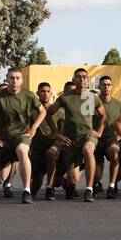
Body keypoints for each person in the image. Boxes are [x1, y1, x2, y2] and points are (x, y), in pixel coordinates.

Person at [0, 67, 44, 204]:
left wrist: (34, 128)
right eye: (12, 78)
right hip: (3, 140)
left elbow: (43, 112)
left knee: (22, 150)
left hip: (22, 136)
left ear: (22, 80)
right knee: (0, 177)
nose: (14, 81)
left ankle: (26, 191)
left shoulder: (29, 95)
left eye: (17, 78)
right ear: (7, 79)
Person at [47, 67, 103, 200]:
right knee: (73, 180)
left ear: (87, 79)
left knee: (88, 149)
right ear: (74, 79)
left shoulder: (92, 97)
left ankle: (88, 189)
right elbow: (48, 114)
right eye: (78, 76)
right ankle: (69, 183)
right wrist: (57, 134)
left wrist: (99, 132)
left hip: (87, 136)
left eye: (84, 76)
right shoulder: (66, 97)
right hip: (71, 141)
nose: (81, 79)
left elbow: (103, 116)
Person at [95, 76, 121, 197]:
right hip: (96, 140)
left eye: (109, 85)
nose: (106, 87)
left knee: (115, 154)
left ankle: (111, 186)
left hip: (111, 140)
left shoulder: (119, 105)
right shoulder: (92, 102)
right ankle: (95, 183)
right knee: (97, 175)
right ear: (99, 87)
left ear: (112, 87)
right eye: (104, 85)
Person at [29, 81, 63, 200]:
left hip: (53, 145)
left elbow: (63, 131)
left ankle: (50, 187)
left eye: (48, 91)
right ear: (37, 93)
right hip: (37, 148)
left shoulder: (58, 111)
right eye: (43, 91)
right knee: (36, 183)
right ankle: (30, 191)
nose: (45, 94)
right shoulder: (31, 111)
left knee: (51, 153)